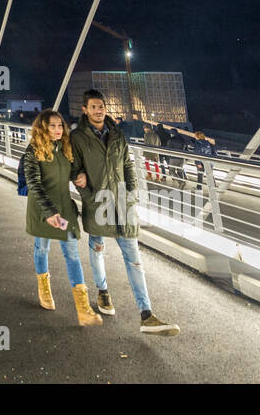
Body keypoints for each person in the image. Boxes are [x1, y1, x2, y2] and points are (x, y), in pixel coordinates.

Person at [71, 89, 179, 335]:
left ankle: (146, 314)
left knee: (134, 258)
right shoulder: (77, 138)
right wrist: (90, 199)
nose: (99, 110)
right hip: (98, 203)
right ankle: (103, 292)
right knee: (97, 248)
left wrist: (132, 193)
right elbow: (74, 171)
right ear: (85, 110)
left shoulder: (118, 134)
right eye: (94, 107)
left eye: (102, 106)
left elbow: (128, 165)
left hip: (122, 203)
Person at [23, 108, 100, 326]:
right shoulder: (33, 152)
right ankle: (44, 289)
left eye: (60, 125)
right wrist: (49, 213)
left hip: (65, 209)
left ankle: (83, 309)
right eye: (52, 126)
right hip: (43, 210)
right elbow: (34, 185)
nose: (58, 130)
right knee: (42, 247)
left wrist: (79, 175)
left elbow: (72, 170)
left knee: (72, 254)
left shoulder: (65, 148)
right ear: (42, 128)